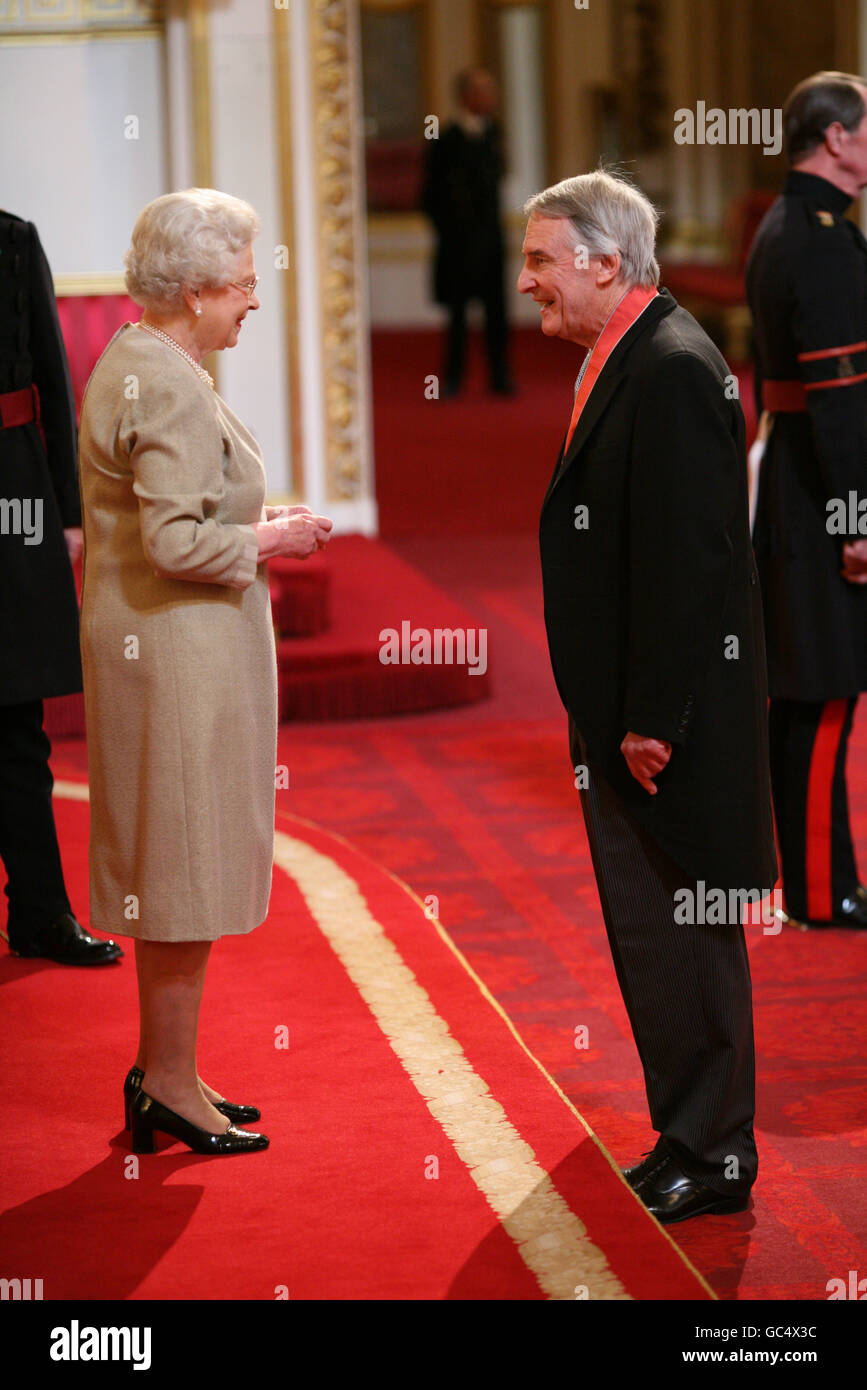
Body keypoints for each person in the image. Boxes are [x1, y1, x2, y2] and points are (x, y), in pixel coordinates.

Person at [521, 170, 777, 1223]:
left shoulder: (669, 367)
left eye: (542, 259)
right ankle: (687, 1130)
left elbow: (689, 565)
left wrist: (649, 722)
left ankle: (716, 1153)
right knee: (651, 929)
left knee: (682, 926)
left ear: (604, 262)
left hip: (665, 721)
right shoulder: (625, 353)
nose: (528, 279)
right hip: (631, 711)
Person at [78, 188, 333, 1156]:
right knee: (178, 868)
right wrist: (273, 537)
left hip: (169, 645)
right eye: (242, 283)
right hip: (171, 652)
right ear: (191, 290)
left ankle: (166, 1072)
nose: (253, 300)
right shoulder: (168, 380)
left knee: (173, 865)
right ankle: (169, 1083)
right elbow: (179, 540)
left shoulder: (151, 359)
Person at [747, 71, 867, 931]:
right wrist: (855, 519)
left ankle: (816, 882)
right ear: (836, 139)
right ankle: (823, 892)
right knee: (824, 692)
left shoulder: (785, 223)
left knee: (801, 693)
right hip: (821, 490)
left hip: (792, 479)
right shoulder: (819, 239)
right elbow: (839, 395)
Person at [0, 209, 122, 967]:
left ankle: (41, 912)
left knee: (15, 719)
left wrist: (67, 515)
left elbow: (53, 376)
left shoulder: (12, 240)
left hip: (10, 497)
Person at [422, 68, 514, 397]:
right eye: (483, 91)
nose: (490, 98)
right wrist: (452, 230)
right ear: (466, 96)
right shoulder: (444, 139)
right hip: (457, 244)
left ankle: (500, 376)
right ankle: (453, 378)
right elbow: (430, 195)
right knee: (457, 316)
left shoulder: (494, 134)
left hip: (490, 241)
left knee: (497, 313)